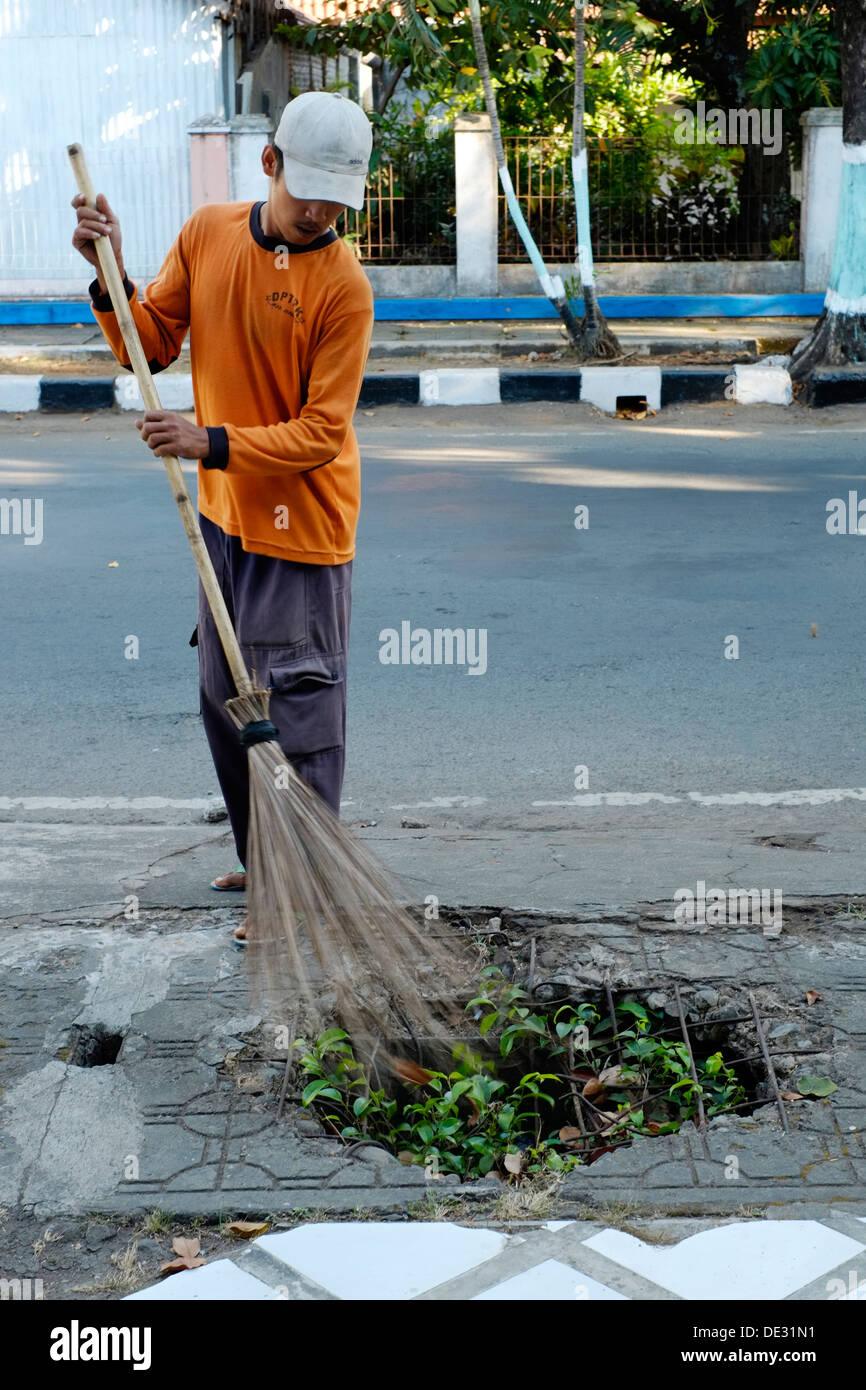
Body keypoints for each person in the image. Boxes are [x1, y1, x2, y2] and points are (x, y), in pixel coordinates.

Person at [72, 92, 375, 941]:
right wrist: (110, 266)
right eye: (306, 190)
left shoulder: (345, 288)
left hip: (303, 529)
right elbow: (151, 340)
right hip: (224, 516)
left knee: (296, 708)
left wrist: (206, 441)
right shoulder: (209, 234)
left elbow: (321, 433)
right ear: (269, 164)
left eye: (335, 201)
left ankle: (300, 887)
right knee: (222, 696)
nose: (318, 214)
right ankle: (264, 852)